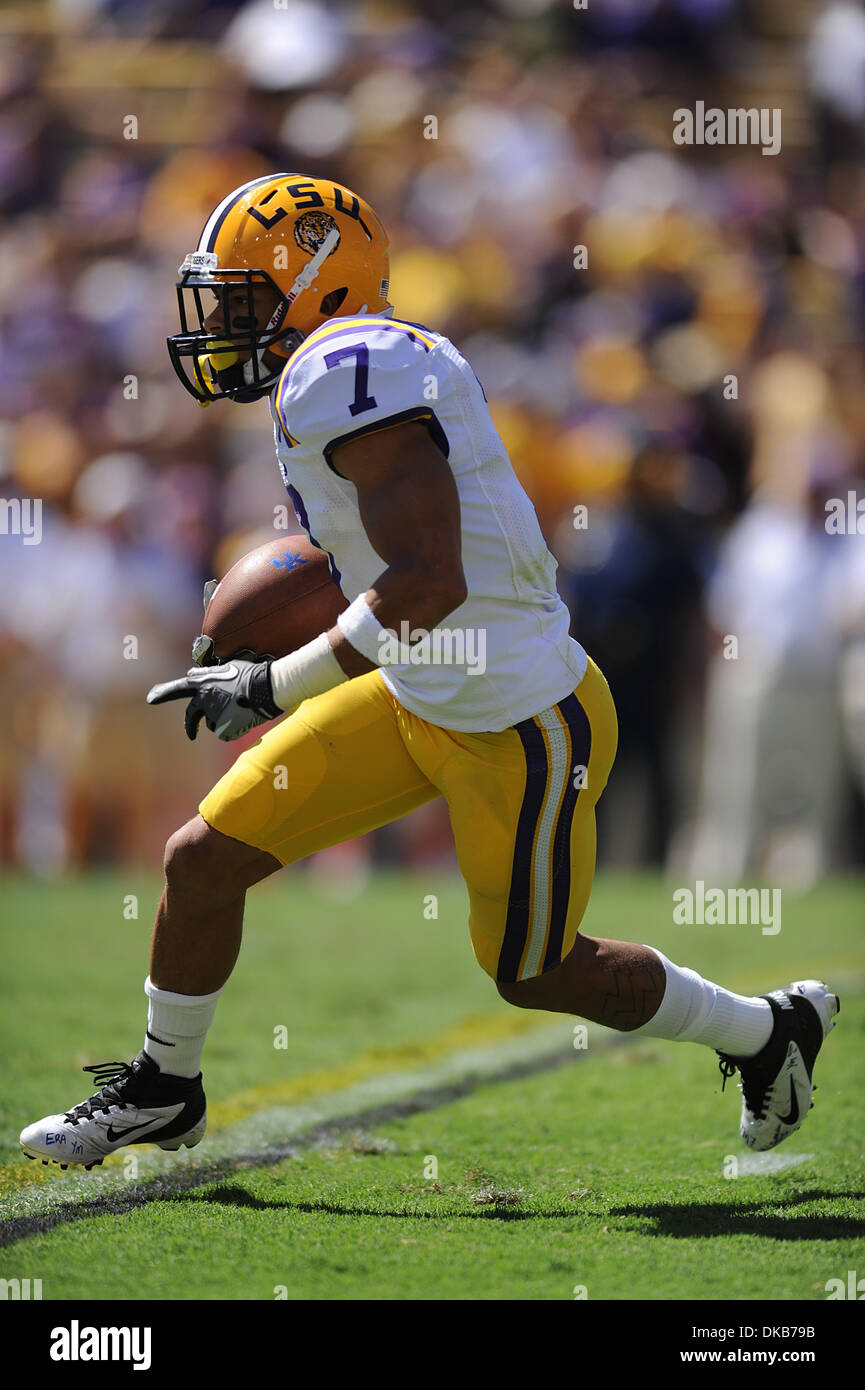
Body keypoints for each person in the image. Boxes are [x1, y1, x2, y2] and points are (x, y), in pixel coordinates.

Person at [20, 175, 838, 1171]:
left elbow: (430, 581)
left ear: (316, 287)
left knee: (533, 971)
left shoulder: (348, 367)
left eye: (241, 297)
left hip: (521, 720)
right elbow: (363, 565)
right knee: (204, 856)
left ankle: (765, 1030)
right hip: (418, 692)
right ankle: (165, 1087)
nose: (222, 323)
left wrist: (272, 684)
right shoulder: (341, 372)